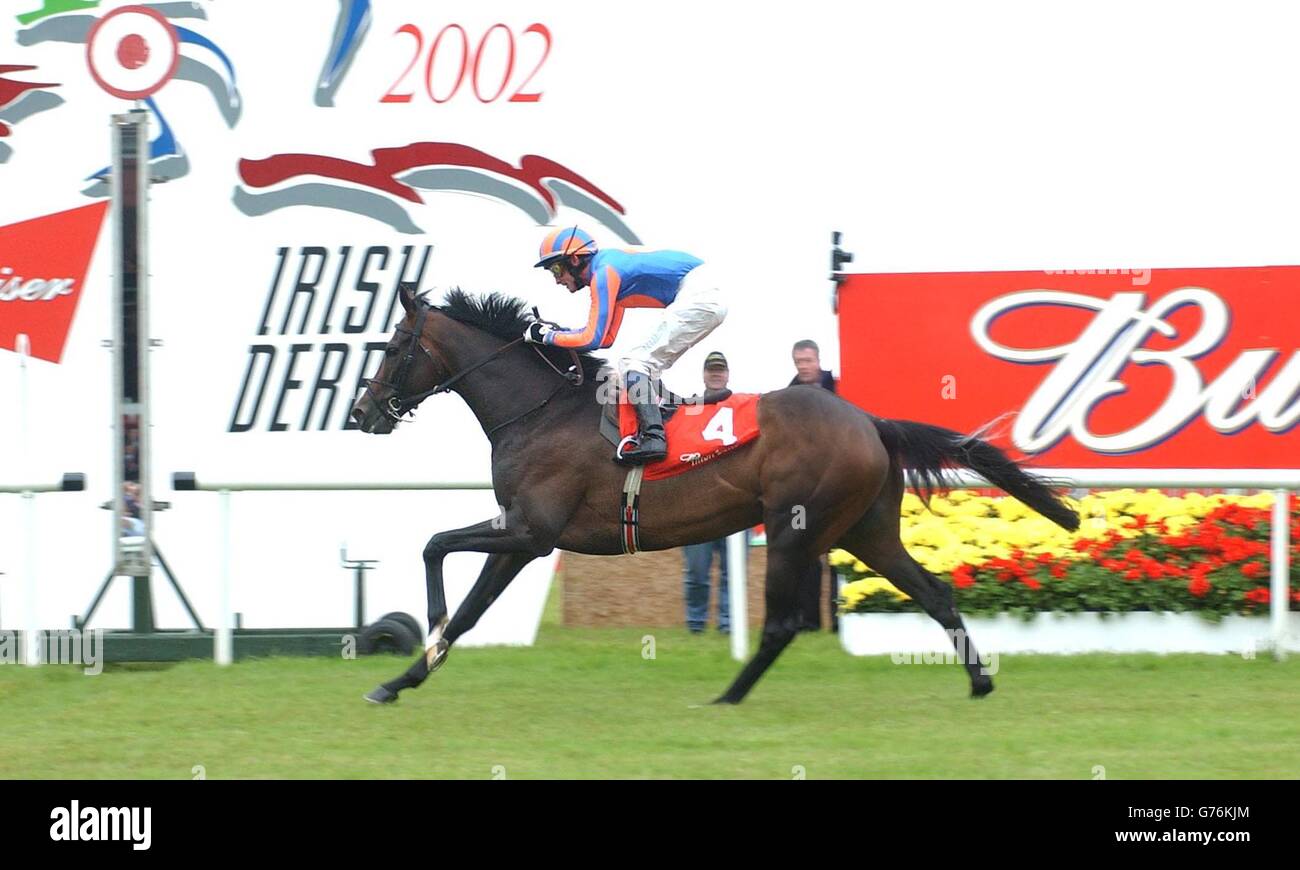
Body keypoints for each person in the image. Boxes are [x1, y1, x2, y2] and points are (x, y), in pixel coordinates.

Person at [526, 226, 727, 465]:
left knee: (635, 362)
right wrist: (559, 334)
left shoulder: (605, 273)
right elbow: (606, 338)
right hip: (702, 291)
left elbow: (591, 338)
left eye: (557, 269)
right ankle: (665, 409)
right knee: (635, 361)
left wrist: (546, 337)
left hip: (699, 292)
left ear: (575, 259)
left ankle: (654, 437)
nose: (557, 279)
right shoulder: (608, 271)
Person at [788, 339, 840, 632]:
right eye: (798, 362)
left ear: (818, 359)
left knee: (839, 555)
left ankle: (838, 622)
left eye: (807, 360)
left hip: (837, 483)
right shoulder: (789, 395)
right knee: (806, 556)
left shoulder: (840, 389)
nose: (803, 367)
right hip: (804, 488)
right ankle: (809, 622)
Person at [682, 352, 734, 633]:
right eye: (711, 370)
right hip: (697, 504)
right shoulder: (689, 407)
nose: (716, 375)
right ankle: (696, 625)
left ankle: (728, 626)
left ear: (727, 374)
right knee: (697, 572)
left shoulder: (743, 408)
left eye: (720, 370)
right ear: (704, 374)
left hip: (737, 502)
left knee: (732, 572)